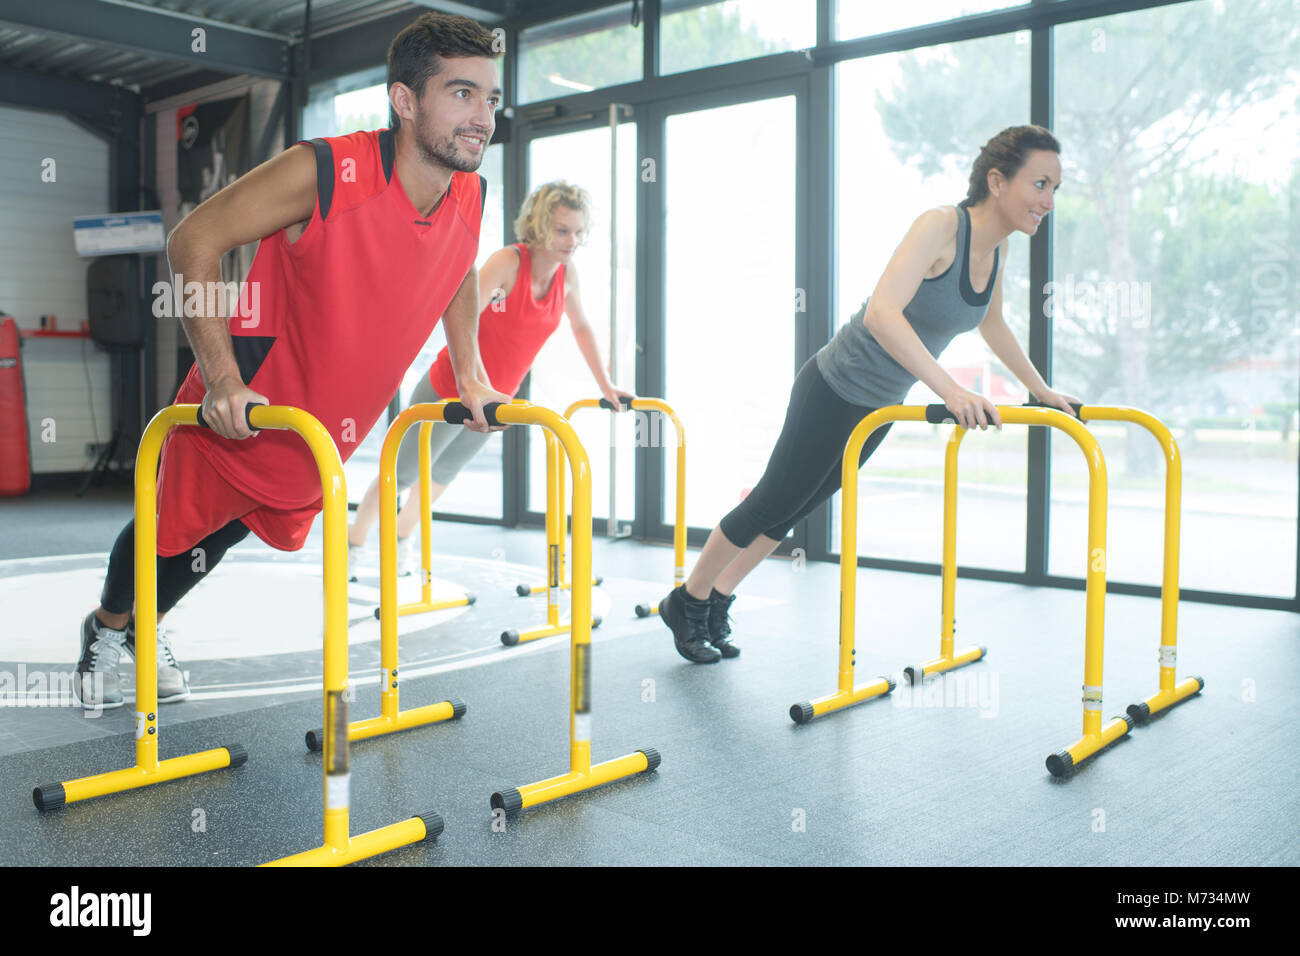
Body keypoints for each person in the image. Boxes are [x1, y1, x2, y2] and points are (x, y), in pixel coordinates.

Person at [72, 11, 511, 709]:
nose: (482, 117)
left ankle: (139, 626)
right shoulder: (328, 171)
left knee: (222, 537)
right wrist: (221, 379)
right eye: (462, 94)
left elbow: (458, 268)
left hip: (324, 424)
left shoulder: (471, 191)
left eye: (490, 98)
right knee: (174, 524)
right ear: (405, 101)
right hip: (247, 401)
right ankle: (108, 630)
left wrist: (472, 374)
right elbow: (194, 239)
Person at [659, 125, 1081, 664]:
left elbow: (992, 324)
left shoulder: (994, 252)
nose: (1048, 202)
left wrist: (1039, 388)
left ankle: (718, 599)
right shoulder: (939, 227)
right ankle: (687, 601)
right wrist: (951, 390)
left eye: (1055, 190)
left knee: (796, 509)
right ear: (997, 181)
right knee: (771, 499)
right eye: (1040, 184)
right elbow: (883, 313)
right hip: (834, 388)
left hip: (879, 407)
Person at [346, 181, 633, 577]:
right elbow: (460, 314)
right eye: (563, 230)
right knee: (405, 473)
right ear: (539, 225)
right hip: (451, 388)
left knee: (444, 475)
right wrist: (474, 383)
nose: (573, 241)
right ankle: (354, 544)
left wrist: (605, 384)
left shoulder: (568, 276)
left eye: (579, 231)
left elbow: (581, 327)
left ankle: (401, 540)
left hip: (498, 399)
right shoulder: (509, 262)